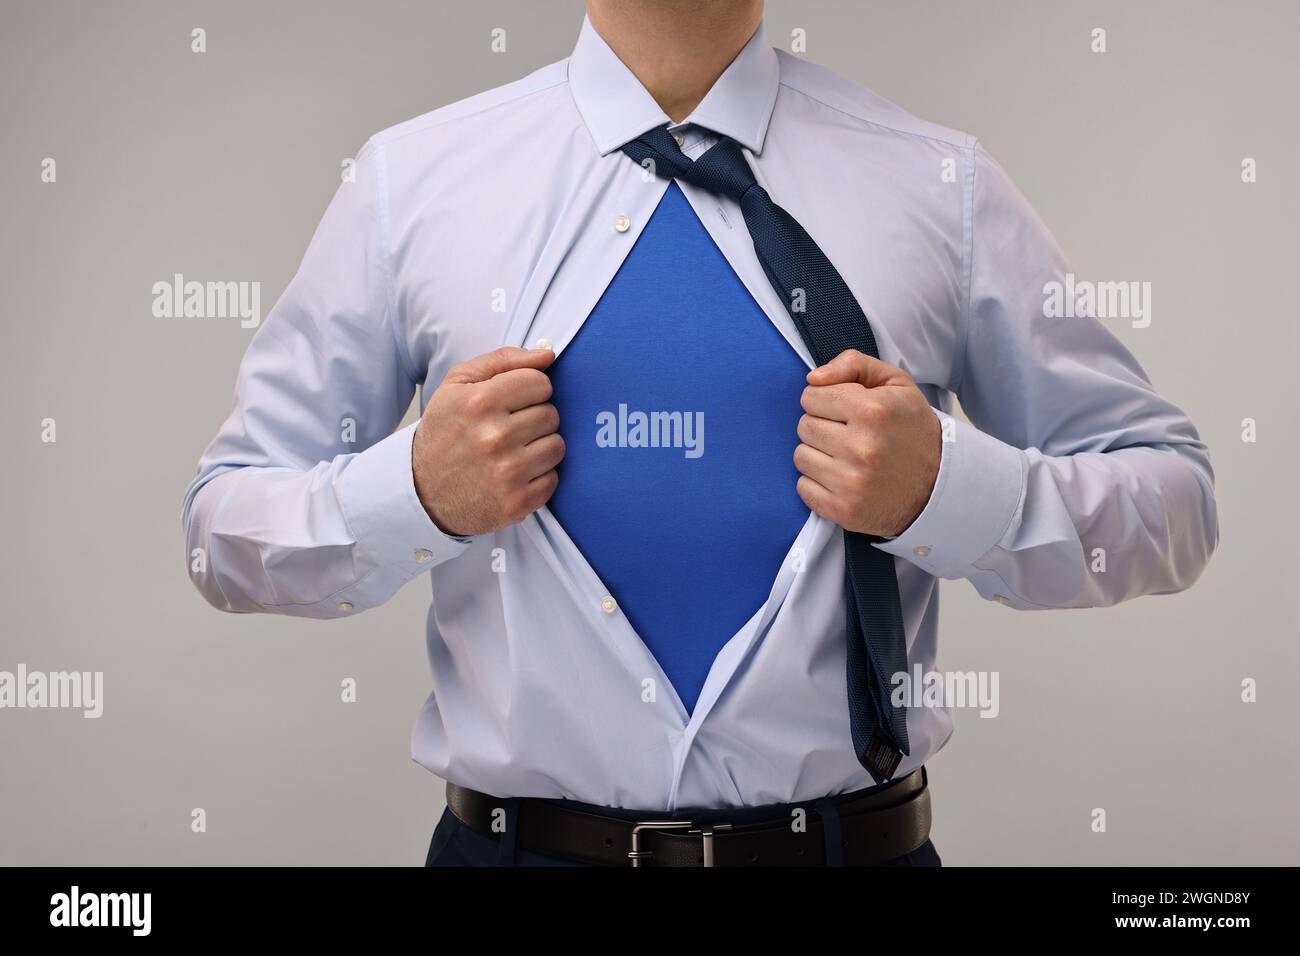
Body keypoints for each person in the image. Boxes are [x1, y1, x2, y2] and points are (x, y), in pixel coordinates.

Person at [182, 0, 1217, 867]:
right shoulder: (409, 184)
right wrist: (409, 493)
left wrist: (949, 491)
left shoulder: (937, 186)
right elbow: (222, 526)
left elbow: (1173, 497)